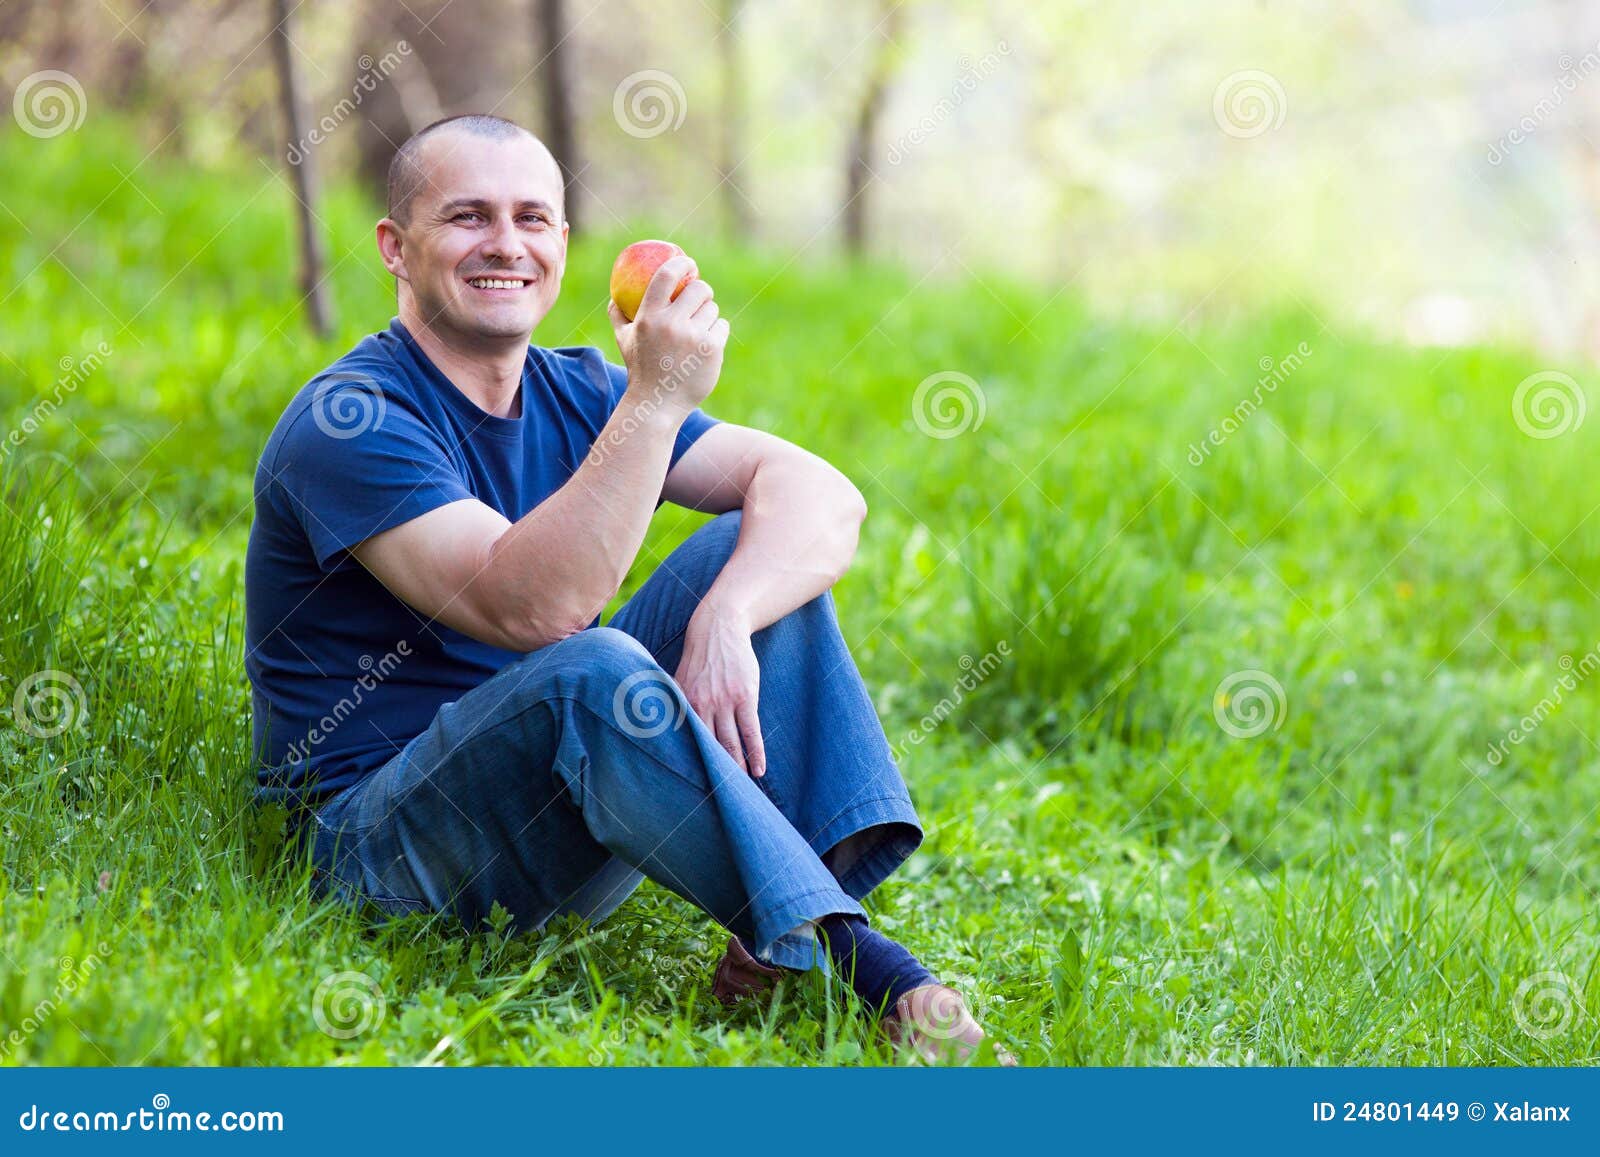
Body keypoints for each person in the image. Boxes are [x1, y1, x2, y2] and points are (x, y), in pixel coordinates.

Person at [244, 113, 1006, 1064]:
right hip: (379, 850)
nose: (506, 243)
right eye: (469, 216)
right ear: (395, 247)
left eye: (532, 218)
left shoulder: (578, 391)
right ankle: (871, 970)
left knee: (748, 555)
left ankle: (784, 924)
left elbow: (824, 496)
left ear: (564, 245)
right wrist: (655, 400)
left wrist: (727, 614)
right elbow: (535, 609)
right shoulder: (349, 419)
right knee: (589, 666)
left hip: (564, 817)